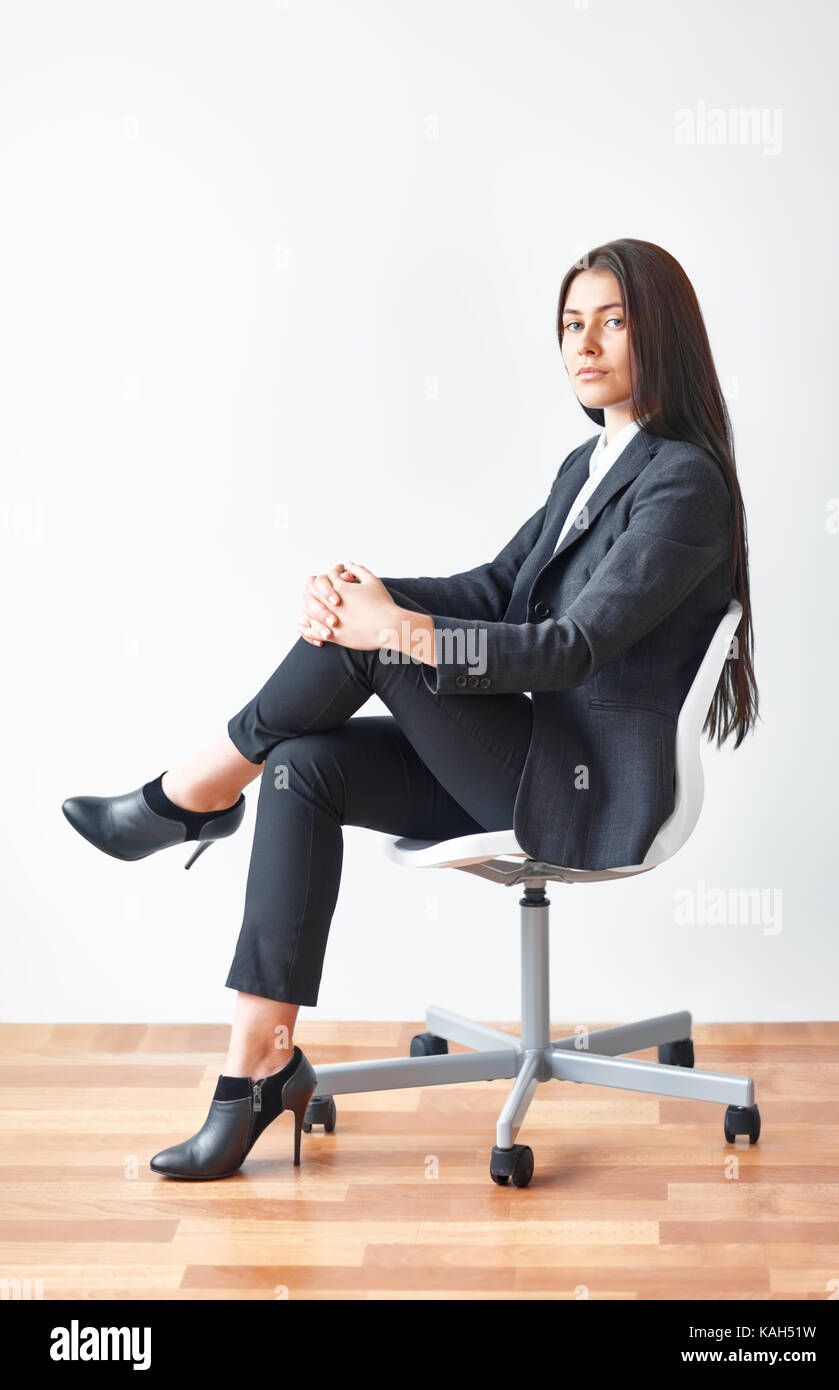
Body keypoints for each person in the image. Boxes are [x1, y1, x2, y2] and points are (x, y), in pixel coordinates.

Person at [61, 238, 758, 1179]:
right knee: (304, 766)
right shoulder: (586, 466)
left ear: (660, 331)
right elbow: (497, 585)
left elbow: (570, 649)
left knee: (376, 645)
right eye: (569, 323)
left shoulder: (682, 482)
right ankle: (254, 1071)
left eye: (613, 319)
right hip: (522, 760)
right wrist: (373, 590)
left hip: (585, 786)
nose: (584, 343)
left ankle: (189, 793)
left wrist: (390, 628)